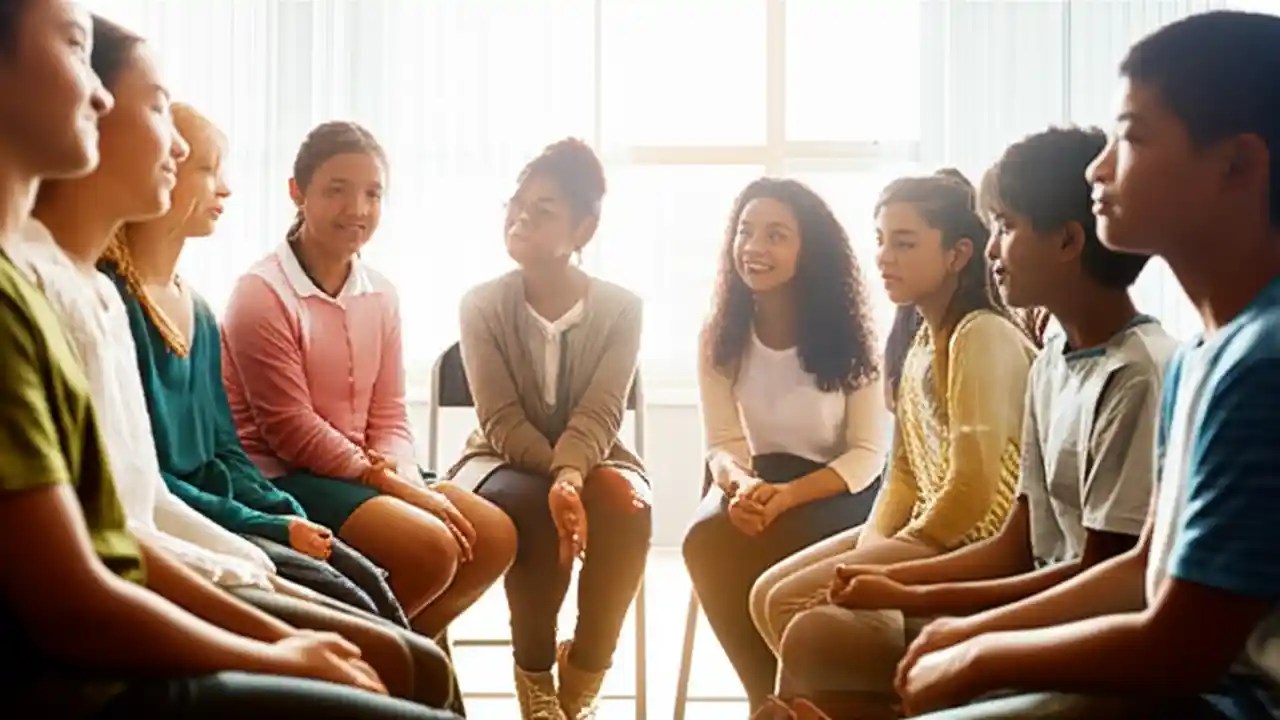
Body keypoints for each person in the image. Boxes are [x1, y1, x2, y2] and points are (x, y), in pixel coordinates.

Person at [0, 2, 456, 717]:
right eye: (70, 49)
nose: (96, 93)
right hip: (94, 668)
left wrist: (264, 569)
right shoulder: (34, 295)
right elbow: (78, 590)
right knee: (400, 654)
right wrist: (268, 609)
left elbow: (127, 522)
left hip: (180, 562)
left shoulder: (93, 293)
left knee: (407, 650)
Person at [899, 11, 1280, 719]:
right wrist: (971, 631)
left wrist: (982, 653)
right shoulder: (1202, 356)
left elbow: (1181, 646)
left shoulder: (1260, 363)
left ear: (1238, 164)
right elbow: (1143, 572)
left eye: (1131, 137)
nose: (1099, 169)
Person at [762, 127, 1177, 719]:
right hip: (1037, 597)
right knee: (817, 633)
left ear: (1067, 240)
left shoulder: (1135, 374)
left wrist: (951, 621)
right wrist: (903, 588)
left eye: (1005, 227)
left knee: (820, 632)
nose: (990, 249)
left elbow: (1100, 579)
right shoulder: (1053, 365)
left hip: (1081, 628)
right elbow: (1017, 545)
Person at [101, 102, 409, 628]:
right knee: (359, 612)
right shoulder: (115, 304)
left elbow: (224, 449)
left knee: (373, 589)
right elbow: (145, 480)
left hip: (239, 508)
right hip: (195, 522)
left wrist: (283, 513)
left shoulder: (196, 308)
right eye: (207, 168)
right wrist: (265, 520)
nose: (225, 189)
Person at [746, 170, 1040, 709]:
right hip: (927, 530)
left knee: (797, 609)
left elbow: (973, 492)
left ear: (957, 254)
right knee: (768, 594)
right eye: (880, 240)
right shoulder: (923, 338)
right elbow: (901, 474)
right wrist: (869, 552)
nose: (884, 257)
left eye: (904, 243)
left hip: (973, 547)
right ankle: (840, 700)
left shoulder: (983, 335)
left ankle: (868, 700)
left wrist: (887, 565)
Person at [220, 120, 516, 639]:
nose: (357, 209)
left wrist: (401, 478)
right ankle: (362, 664)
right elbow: (290, 429)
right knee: (431, 547)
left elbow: (389, 413)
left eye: (372, 193)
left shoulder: (381, 294)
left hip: (366, 471)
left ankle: (402, 663)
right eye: (337, 190)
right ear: (298, 192)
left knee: (493, 534)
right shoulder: (260, 293)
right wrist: (388, 484)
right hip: (283, 477)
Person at [448, 138, 651, 719]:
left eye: (544, 209)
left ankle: (582, 679)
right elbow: (500, 419)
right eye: (516, 204)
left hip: (594, 454)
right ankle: (535, 687)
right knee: (532, 505)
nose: (521, 218)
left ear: (583, 230)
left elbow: (602, 410)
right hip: (499, 459)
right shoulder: (481, 304)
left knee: (626, 505)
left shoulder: (622, 309)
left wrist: (570, 476)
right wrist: (559, 484)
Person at [679, 177, 888, 709]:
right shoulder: (719, 334)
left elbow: (867, 455)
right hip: (760, 477)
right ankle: (764, 699)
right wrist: (740, 487)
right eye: (746, 232)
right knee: (705, 539)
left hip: (840, 487)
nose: (754, 247)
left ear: (807, 249)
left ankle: (804, 696)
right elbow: (723, 442)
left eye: (776, 235)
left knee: (782, 540)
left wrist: (789, 498)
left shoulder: (853, 334)